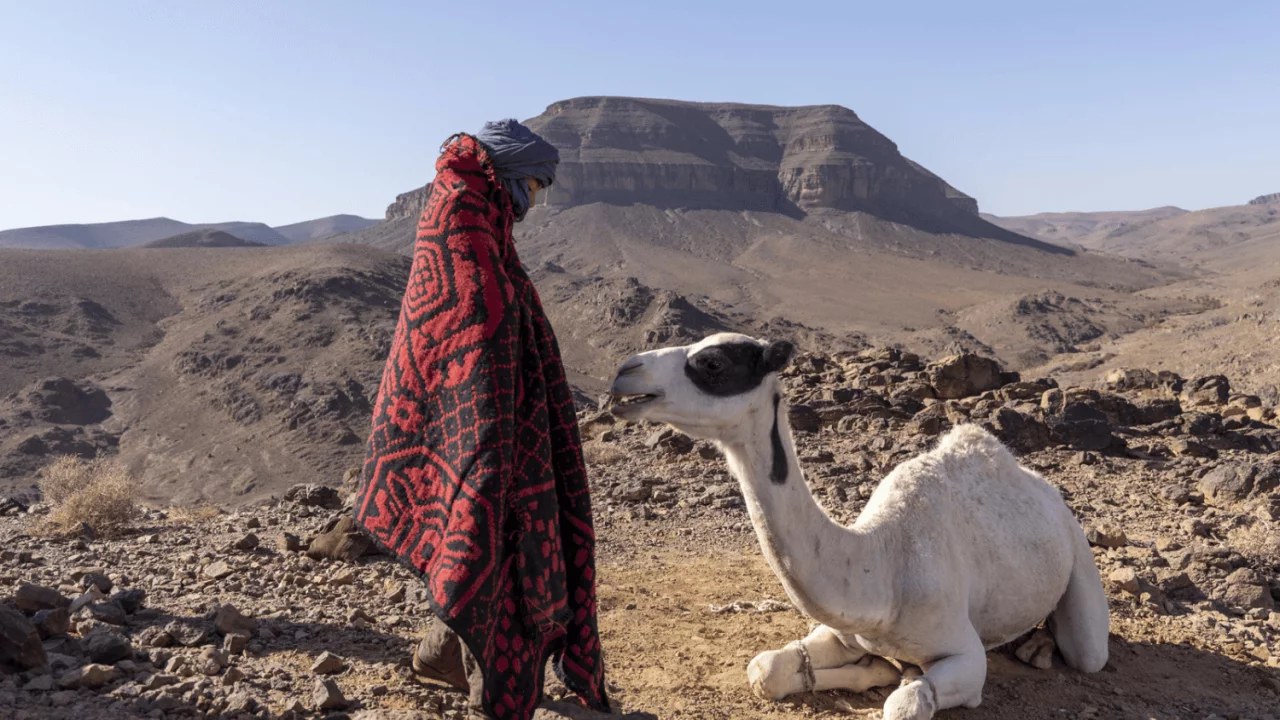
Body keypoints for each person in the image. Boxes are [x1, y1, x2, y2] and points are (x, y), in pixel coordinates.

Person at [352, 120, 611, 720]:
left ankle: (440, 653)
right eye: (533, 187)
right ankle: (487, 685)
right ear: (508, 176)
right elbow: (470, 316)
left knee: (481, 534)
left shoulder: (477, 208)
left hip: (496, 412)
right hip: (471, 417)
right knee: (485, 532)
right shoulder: (462, 210)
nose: (534, 201)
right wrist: (496, 407)